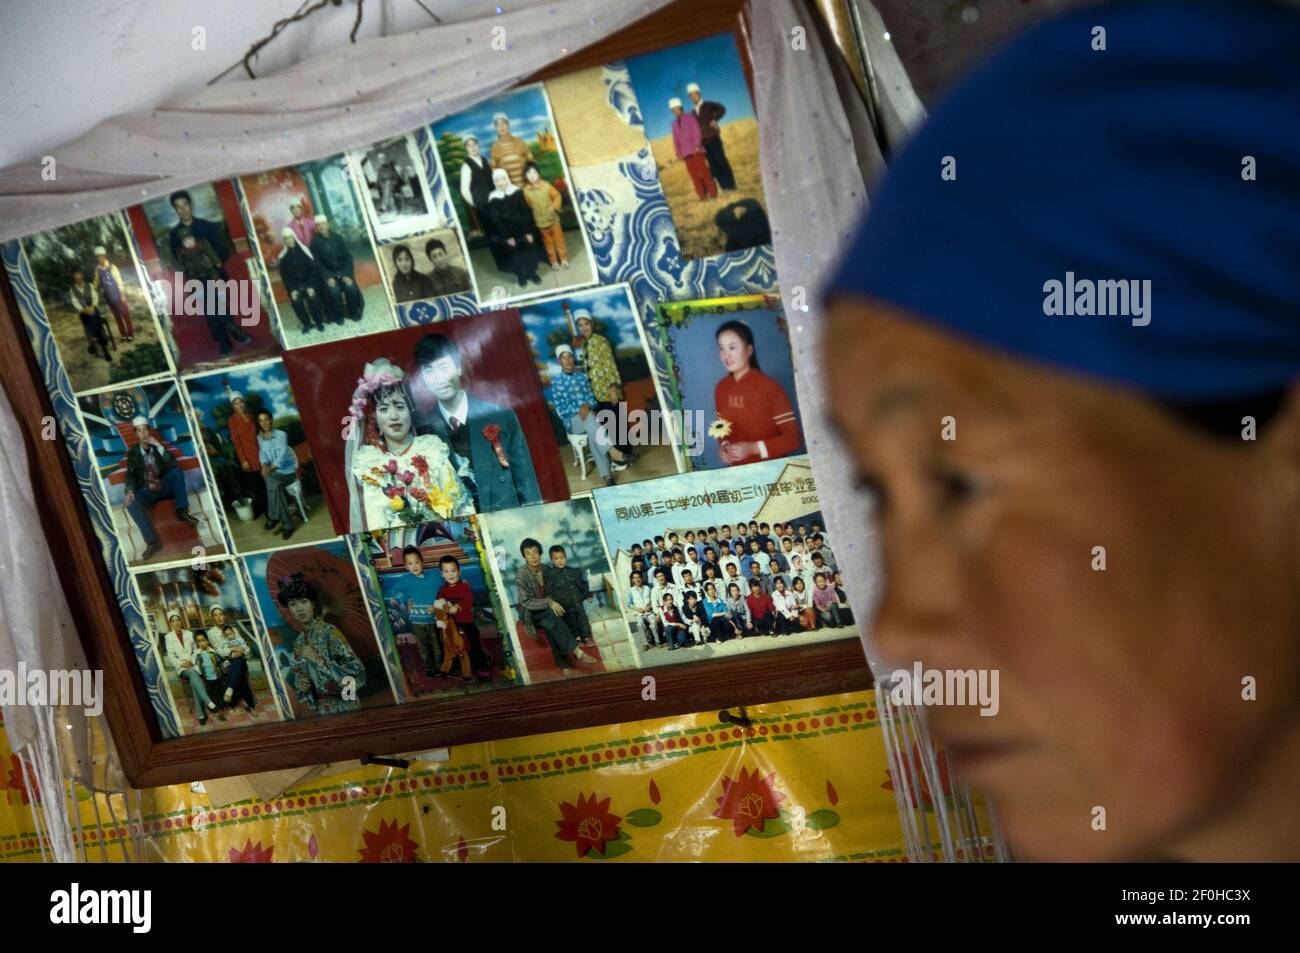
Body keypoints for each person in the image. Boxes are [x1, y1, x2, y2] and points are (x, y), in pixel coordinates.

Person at [411, 332, 541, 512]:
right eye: (428, 370)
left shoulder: (500, 415)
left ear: (458, 368)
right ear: (422, 378)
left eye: (443, 367)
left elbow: (527, 484)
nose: (439, 378)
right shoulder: (424, 432)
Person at [346, 359, 473, 532]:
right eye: (383, 409)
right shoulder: (371, 463)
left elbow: (461, 503)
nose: (393, 416)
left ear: (410, 412)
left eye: (399, 406)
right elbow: (376, 523)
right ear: (375, 417)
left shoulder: (431, 449)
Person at [166, 190, 253, 352]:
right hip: (194, 278)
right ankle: (228, 335)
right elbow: (175, 259)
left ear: (190, 205)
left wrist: (212, 260)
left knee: (215, 301)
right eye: (178, 207)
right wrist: (187, 267)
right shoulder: (174, 235)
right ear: (175, 210)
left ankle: (229, 334)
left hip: (214, 274)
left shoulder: (207, 226)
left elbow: (223, 249)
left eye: (185, 204)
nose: (183, 209)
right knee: (209, 311)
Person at [713, 320, 801, 466]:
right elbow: (720, 426)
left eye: (732, 347)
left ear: (749, 350)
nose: (726, 355)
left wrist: (753, 448)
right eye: (722, 348)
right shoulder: (721, 388)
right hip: (738, 472)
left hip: (772, 472)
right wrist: (723, 446)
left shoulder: (770, 387)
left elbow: (793, 440)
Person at [278, 573, 365, 716]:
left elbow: (356, 673)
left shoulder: (330, 632)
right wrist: (302, 684)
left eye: (303, 601)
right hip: (322, 708)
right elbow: (300, 674)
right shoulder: (299, 642)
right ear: (289, 609)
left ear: (312, 604)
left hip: (344, 704)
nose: (299, 608)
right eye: (293, 604)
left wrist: (317, 659)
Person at [514, 538, 597, 678]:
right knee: (551, 615)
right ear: (524, 557)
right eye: (528, 553)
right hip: (531, 613)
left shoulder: (547, 569)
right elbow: (526, 602)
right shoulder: (521, 574)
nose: (532, 556)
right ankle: (577, 652)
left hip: (548, 612)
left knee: (550, 625)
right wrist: (549, 602)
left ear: (540, 554)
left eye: (535, 552)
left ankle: (564, 665)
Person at [551, 344, 629, 487]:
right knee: (590, 420)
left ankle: (607, 477)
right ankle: (612, 451)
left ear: (573, 359)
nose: (567, 360)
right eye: (563, 358)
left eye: (569, 357)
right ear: (559, 361)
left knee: (591, 426)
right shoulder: (556, 381)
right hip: (572, 422)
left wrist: (588, 407)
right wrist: (579, 409)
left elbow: (592, 400)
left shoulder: (582, 377)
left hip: (588, 419)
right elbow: (561, 409)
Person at [123, 415, 199, 561]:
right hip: (148, 490)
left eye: (145, 430)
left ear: (149, 431)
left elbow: (172, 464)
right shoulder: (133, 452)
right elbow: (130, 474)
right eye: (139, 431)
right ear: (135, 434)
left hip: (164, 486)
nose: (143, 434)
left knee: (176, 472)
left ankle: (182, 511)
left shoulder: (158, 446)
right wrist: (130, 490)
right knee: (131, 503)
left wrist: (158, 446)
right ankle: (153, 542)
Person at [387, 546, 444, 677]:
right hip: (416, 620)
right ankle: (430, 669)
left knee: (437, 645)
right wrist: (395, 599)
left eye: (417, 562)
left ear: (422, 562)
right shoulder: (406, 579)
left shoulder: (433, 577)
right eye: (410, 563)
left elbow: (445, 586)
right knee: (423, 646)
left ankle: (441, 667)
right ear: (406, 566)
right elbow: (397, 592)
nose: (414, 566)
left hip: (433, 619)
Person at [484, 167, 544, 286]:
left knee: (529, 252)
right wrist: (507, 237)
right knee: (516, 256)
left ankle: (532, 272)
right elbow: (496, 220)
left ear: (507, 179)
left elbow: (526, 212)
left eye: (503, 179)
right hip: (508, 234)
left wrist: (528, 231)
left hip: (523, 230)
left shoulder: (517, 191)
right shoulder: (493, 197)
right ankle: (521, 275)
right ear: (494, 182)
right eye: (497, 181)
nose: (501, 183)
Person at [436, 554, 492, 679]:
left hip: (466, 621)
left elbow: (468, 600)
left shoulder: (465, 587)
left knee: (473, 643)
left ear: (459, 571)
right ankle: (454, 664)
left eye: (453, 570)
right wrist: (437, 606)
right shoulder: (442, 590)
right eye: (446, 571)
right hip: (451, 623)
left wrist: (457, 607)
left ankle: (482, 666)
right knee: (448, 642)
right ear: (442, 574)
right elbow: (439, 601)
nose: (450, 574)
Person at [160, 611, 219, 725]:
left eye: (178, 620)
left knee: (194, 678)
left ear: (181, 621)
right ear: (170, 623)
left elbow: (195, 650)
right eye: (173, 621)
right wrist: (181, 664)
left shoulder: (189, 634)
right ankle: (208, 701)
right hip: (181, 668)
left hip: (192, 665)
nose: (176, 623)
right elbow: (171, 656)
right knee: (193, 674)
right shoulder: (168, 637)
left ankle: (201, 714)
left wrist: (191, 661)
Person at [310, 215, 364, 323]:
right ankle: (338, 315)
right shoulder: (315, 243)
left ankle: (353, 312)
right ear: (316, 227)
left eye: (323, 224)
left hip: (343, 271)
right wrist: (328, 277)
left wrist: (346, 275)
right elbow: (318, 265)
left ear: (327, 224)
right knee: (334, 291)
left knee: (351, 287)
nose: (321, 227)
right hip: (329, 275)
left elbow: (348, 258)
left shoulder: (338, 238)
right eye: (318, 225)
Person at [255, 409, 299, 542]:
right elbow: (262, 454)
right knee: (274, 485)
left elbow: (282, 455)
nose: (264, 423)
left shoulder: (281, 435)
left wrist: (270, 469)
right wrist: (263, 465)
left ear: (271, 420)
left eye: (266, 419)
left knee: (270, 479)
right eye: (261, 420)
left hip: (288, 473)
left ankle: (274, 516)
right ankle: (287, 525)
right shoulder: (259, 437)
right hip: (273, 475)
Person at [687, 82, 735, 191]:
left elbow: (722, 109)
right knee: (713, 165)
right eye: (691, 95)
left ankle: (731, 186)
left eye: (695, 94)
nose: (694, 96)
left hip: (714, 139)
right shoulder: (693, 113)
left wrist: (715, 118)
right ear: (690, 97)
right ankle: (724, 187)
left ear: (699, 94)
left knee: (721, 161)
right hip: (703, 143)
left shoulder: (709, 104)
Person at [521, 162, 569, 271]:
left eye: (534, 172)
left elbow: (557, 196)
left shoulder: (546, 186)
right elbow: (528, 205)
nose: (531, 175)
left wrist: (554, 206)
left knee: (559, 240)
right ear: (526, 176)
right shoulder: (526, 191)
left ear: (538, 173)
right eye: (528, 174)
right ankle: (554, 261)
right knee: (548, 243)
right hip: (541, 222)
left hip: (553, 220)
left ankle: (564, 259)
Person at [544, 544, 595, 647]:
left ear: (566, 557)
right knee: (570, 621)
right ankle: (576, 638)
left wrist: (587, 595)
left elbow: (582, 585)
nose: (560, 561)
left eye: (562, 558)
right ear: (552, 560)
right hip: (564, 605)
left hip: (577, 602)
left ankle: (587, 636)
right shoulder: (550, 575)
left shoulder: (574, 571)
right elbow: (549, 591)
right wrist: (553, 602)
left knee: (582, 619)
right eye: (556, 558)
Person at [208, 612, 258, 716]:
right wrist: (232, 652)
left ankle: (230, 689)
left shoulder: (233, 629)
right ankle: (251, 705)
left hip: (239, 658)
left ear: (224, 615)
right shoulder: (211, 633)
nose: (219, 617)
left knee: (239, 662)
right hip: (226, 661)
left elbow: (245, 646)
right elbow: (218, 651)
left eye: (221, 614)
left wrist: (242, 651)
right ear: (213, 617)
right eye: (216, 615)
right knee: (241, 677)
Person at [277, 228, 326, 333]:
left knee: (312, 298)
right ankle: (307, 324)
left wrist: (311, 286)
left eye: (290, 238)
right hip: (295, 287)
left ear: (294, 238)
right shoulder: (283, 257)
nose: (289, 240)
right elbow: (285, 277)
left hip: (309, 284)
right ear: (284, 241)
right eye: (286, 239)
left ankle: (318, 322)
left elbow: (314, 272)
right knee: (296, 302)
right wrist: (292, 290)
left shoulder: (305, 251)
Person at [669, 97, 715, 202]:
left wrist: (697, 145)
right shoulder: (674, 124)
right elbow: (675, 140)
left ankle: (712, 194)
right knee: (694, 176)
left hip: (696, 150)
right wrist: (678, 153)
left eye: (677, 108)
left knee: (704, 172)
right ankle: (702, 196)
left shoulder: (689, 116)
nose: (676, 110)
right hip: (686, 154)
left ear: (681, 107)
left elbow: (696, 131)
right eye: (673, 109)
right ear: (672, 111)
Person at [64, 267, 113, 363]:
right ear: (73, 276)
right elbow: (75, 302)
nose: (77, 276)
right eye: (75, 274)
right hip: (84, 314)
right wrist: (84, 309)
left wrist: (93, 307)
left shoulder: (89, 285)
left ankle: (94, 346)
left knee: (94, 316)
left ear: (82, 275)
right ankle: (103, 345)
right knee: (93, 319)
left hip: (94, 309)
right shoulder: (72, 290)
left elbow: (95, 297)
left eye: (79, 273)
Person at [91, 245, 134, 342]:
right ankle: (123, 335)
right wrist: (91, 289)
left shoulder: (112, 267)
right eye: (97, 257)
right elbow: (96, 283)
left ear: (105, 256)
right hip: (108, 298)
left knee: (125, 316)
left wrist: (122, 295)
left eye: (101, 256)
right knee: (117, 317)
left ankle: (130, 334)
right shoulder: (97, 270)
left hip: (118, 296)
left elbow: (119, 282)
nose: (99, 258)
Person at [458, 134, 496, 238]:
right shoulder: (466, 166)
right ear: (466, 148)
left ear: (478, 145)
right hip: (482, 206)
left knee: (501, 231)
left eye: (474, 144)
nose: (473, 147)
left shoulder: (484, 160)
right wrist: (476, 204)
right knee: (492, 236)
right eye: (469, 145)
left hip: (494, 202)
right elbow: (464, 190)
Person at [489, 112, 532, 187]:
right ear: (495, 128)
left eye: (503, 123)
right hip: (511, 192)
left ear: (508, 125)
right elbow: (494, 169)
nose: (501, 127)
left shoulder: (519, 142)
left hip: (528, 188)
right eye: (498, 125)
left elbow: (531, 162)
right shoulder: (495, 147)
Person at [192, 633, 227, 723]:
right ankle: (216, 710)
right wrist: (199, 672)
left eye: (203, 640)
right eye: (199, 641)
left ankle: (221, 707)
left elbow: (219, 661)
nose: (202, 643)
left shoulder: (212, 651)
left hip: (217, 676)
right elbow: (194, 665)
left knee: (219, 692)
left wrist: (222, 667)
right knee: (211, 694)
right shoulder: (197, 654)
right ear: (197, 643)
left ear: (207, 641)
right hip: (207, 678)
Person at [625, 569, 658, 650]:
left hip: (649, 612)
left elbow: (653, 599)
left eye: (639, 577)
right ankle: (646, 643)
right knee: (640, 623)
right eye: (635, 578)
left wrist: (650, 607)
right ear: (632, 580)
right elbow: (629, 603)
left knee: (653, 621)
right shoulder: (631, 591)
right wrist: (636, 609)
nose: (637, 579)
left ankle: (657, 641)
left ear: (642, 578)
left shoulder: (648, 588)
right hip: (639, 613)